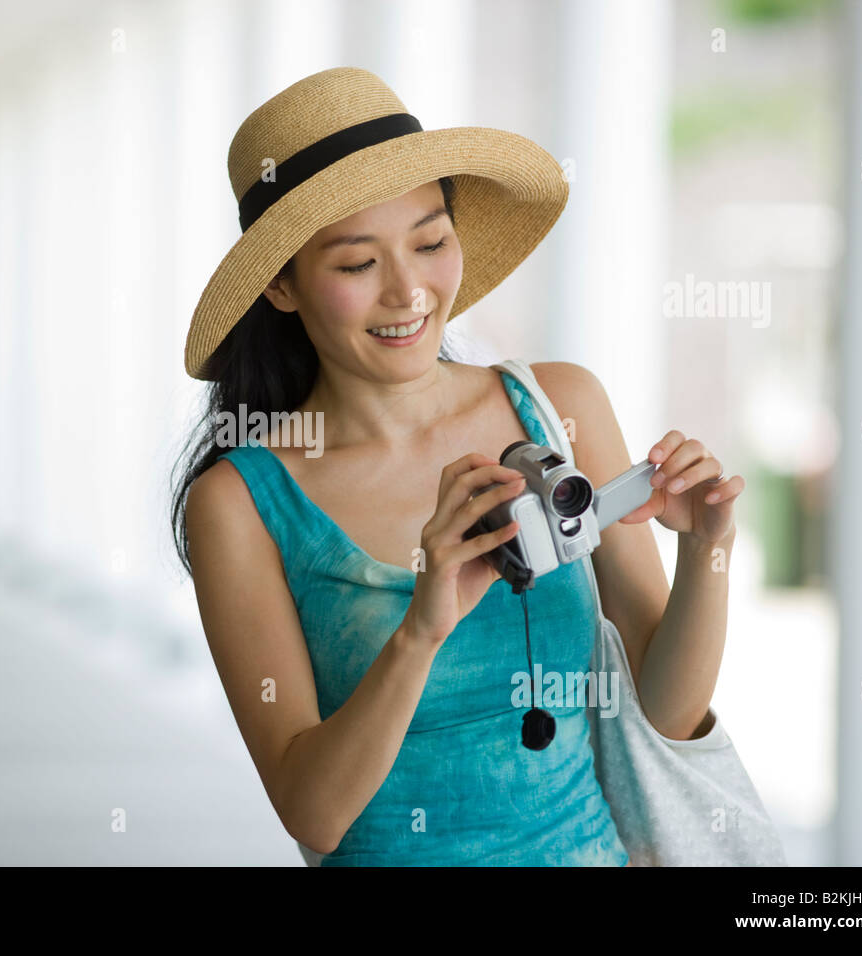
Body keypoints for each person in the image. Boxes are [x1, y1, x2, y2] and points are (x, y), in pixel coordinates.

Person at [172, 68, 744, 866]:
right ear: (280, 284)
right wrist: (423, 626)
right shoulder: (239, 501)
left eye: (432, 242)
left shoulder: (560, 406)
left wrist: (708, 546)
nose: (408, 291)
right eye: (355, 264)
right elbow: (314, 814)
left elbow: (668, 713)